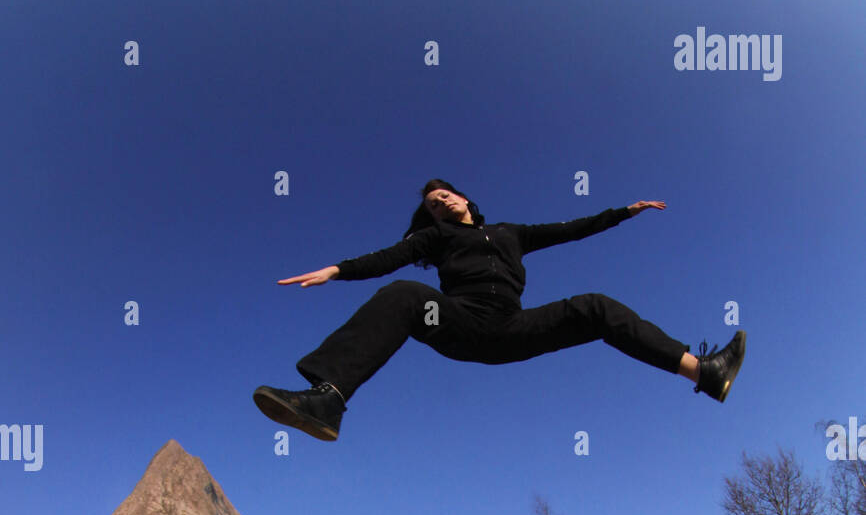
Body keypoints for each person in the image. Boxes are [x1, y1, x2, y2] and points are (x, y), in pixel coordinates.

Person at [253, 178, 746, 442]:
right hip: (455, 322)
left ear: (465, 198)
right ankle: (327, 400)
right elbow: (391, 257)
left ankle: (704, 371)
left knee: (595, 306)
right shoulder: (435, 237)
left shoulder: (512, 233)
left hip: (513, 330)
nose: (439, 204)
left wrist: (624, 212)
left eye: (444, 196)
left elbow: (569, 228)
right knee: (407, 294)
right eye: (431, 205)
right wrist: (338, 270)